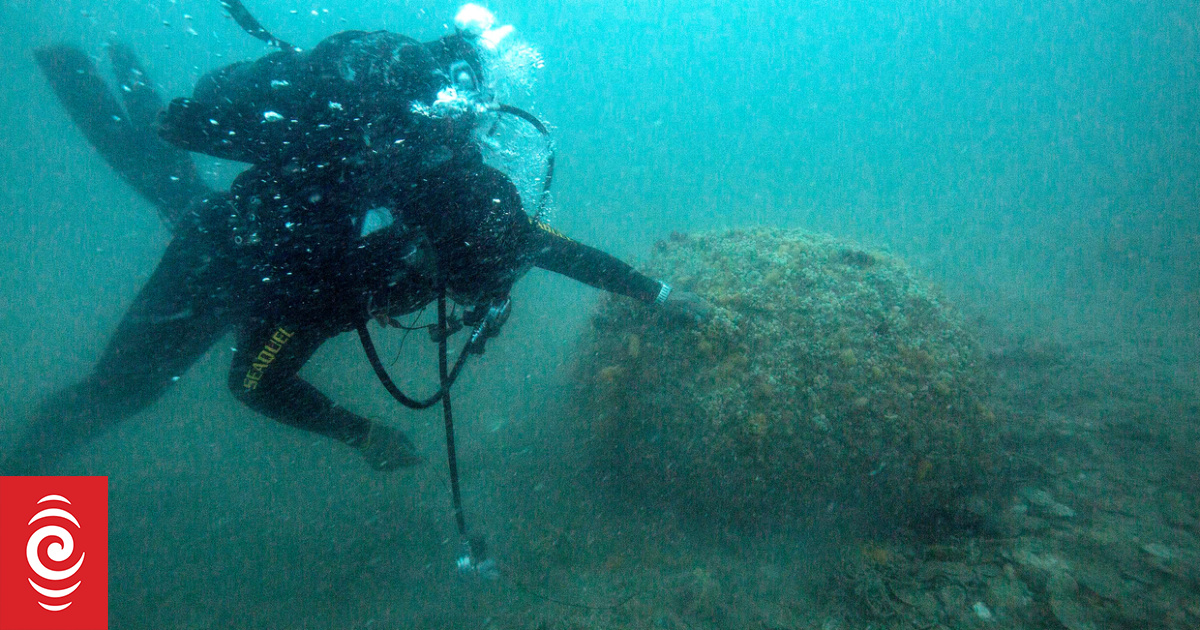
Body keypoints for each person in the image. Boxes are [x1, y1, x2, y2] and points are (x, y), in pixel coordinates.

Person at [2, 6, 711, 476]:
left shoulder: (462, 200)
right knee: (123, 392)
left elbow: (564, 251)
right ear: (430, 259)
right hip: (222, 267)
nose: (468, 305)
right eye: (465, 289)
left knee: (180, 191)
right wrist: (360, 435)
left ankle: (99, 74)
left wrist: (660, 294)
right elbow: (251, 382)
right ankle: (25, 490)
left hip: (269, 217)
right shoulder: (337, 283)